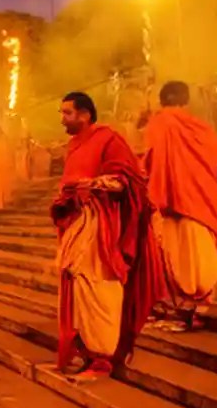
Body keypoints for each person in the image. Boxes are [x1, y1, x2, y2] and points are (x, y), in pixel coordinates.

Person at [51, 92, 165, 379]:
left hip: (104, 226)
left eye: (67, 113)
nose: (62, 118)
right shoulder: (74, 145)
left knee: (100, 287)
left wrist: (96, 184)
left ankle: (103, 359)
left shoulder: (108, 139)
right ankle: (89, 354)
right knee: (80, 288)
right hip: (79, 223)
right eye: (62, 113)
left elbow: (128, 179)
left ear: (86, 114)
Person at [143, 81, 217, 330]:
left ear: (161, 100)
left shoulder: (158, 123)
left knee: (174, 255)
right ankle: (197, 304)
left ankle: (182, 307)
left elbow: (148, 158)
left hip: (171, 198)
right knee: (199, 253)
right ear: (186, 101)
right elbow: (214, 157)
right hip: (200, 197)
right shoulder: (201, 127)